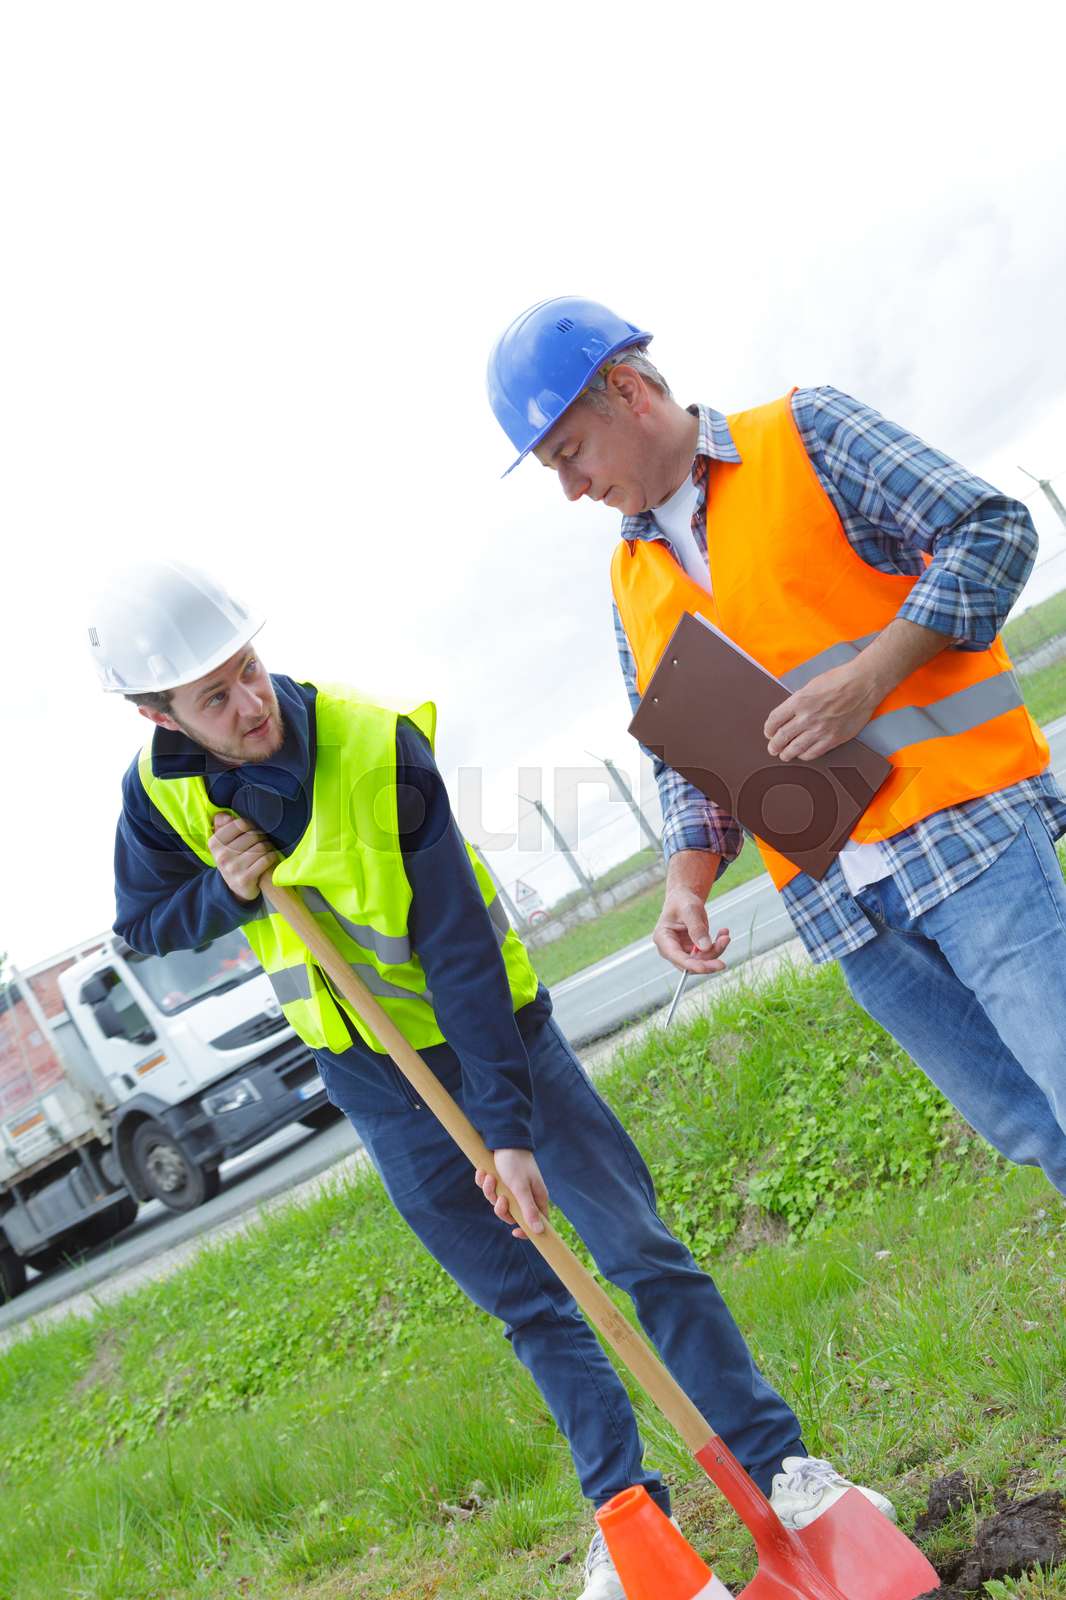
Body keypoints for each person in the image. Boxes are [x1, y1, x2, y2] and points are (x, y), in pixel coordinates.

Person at [95, 560, 893, 1600]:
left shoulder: (379, 748)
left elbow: (461, 948)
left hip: (496, 1036)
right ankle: (631, 1517)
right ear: (158, 713)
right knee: (529, 1302)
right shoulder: (158, 790)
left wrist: (506, 1128)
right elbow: (142, 926)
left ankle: (783, 1472)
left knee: (634, 1249)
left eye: (248, 670)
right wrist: (222, 889)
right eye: (214, 697)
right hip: (374, 1080)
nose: (249, 705)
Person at [487, 296, 1066, 1201]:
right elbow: (688, 762)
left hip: (967, 837)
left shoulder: (807, 434)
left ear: (630, 391)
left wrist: (871, 676)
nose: (571, 489)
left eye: (570, 455)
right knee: (1036, 1130)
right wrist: (684, 883)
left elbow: (990, 530)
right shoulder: (629, 578)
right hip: (848, 911)